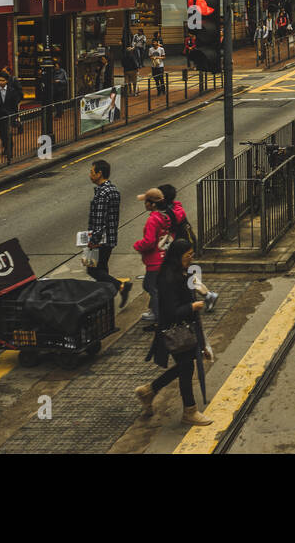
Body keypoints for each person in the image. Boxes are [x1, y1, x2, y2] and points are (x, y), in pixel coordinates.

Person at [135, 238, 212, 426]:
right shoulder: (169, 278)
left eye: (192, 255)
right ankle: (189, 411)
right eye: (188, 256)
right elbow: (171, 312)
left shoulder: (179, 271)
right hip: (174, 331)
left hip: (183, 329)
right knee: (186, 367)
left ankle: (149, 391)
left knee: (185, 366)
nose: (191, 259)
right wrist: (192, 306)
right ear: (178, 256)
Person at [85, 160, 131, 304]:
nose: (90, 175)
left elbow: (99, 220)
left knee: (93, 270)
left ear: (99, 174)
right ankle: (106, 302)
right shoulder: (113, 189)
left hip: (101, 241)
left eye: (92, 172)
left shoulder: (102, 193)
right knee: (102, 269)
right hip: (110, 238)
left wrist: (93, 242)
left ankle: (121, 286)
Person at [133, 188, 173, 324]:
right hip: (163, 256)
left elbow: (149, 241)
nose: (145, 204)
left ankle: (159, 316)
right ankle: (157, 311)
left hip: (154, 261)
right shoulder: (165, 216)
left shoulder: (152, 220)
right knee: (153, 286)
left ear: (153, 204)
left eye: (146, 202)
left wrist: (138, 245)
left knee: (151, 287)